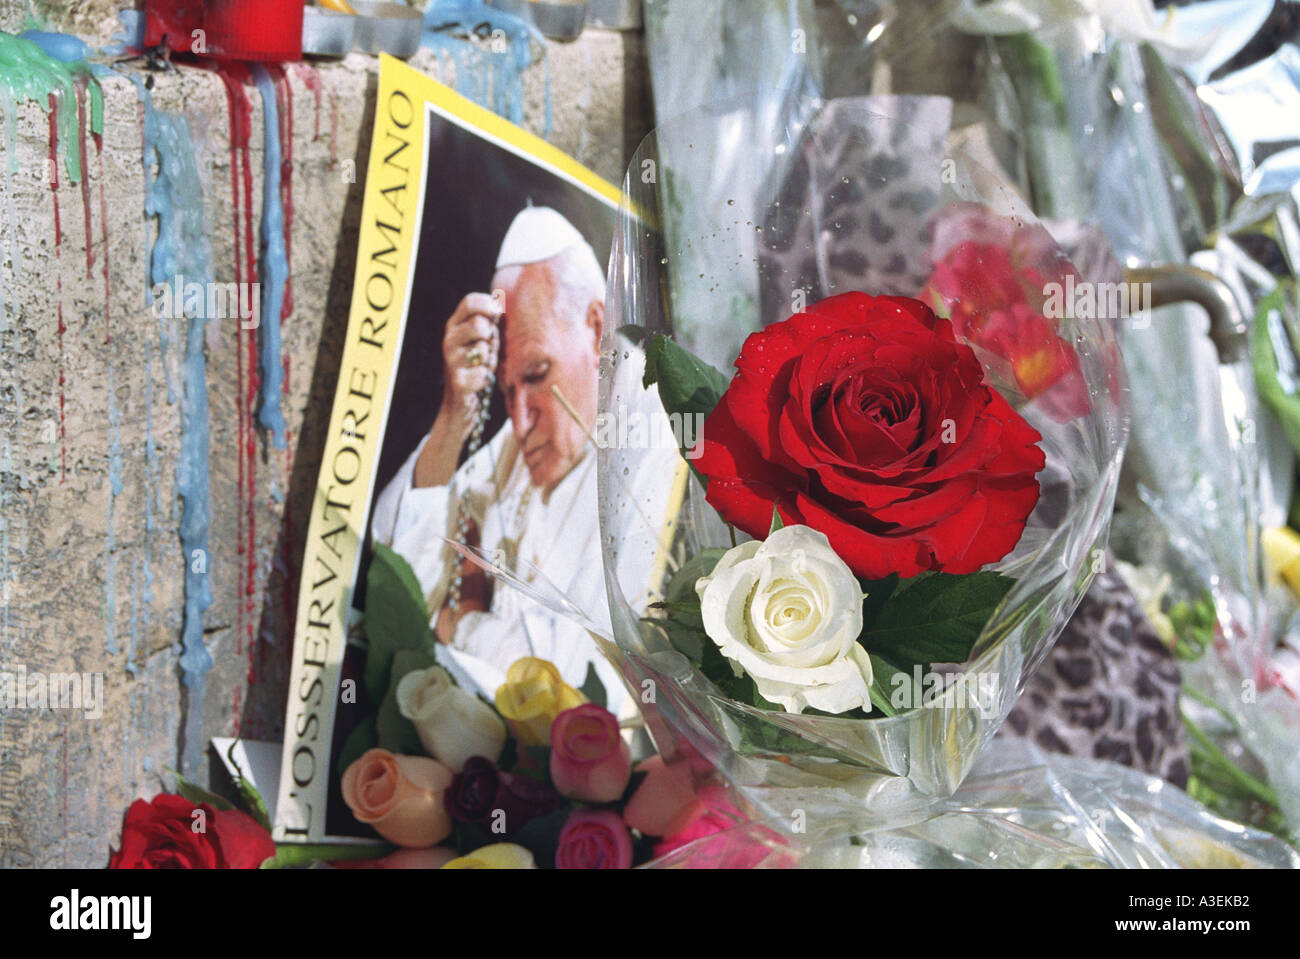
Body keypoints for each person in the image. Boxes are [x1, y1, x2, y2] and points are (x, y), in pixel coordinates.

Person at [370, 206, 683, 703]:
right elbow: (389, 560)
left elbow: (576, 686)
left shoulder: (660, 435)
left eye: (537, 376)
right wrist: (454, 418)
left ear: (597, 327)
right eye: (507, 388)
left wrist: (466, 611)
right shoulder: (520, 434)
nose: (519, 420)